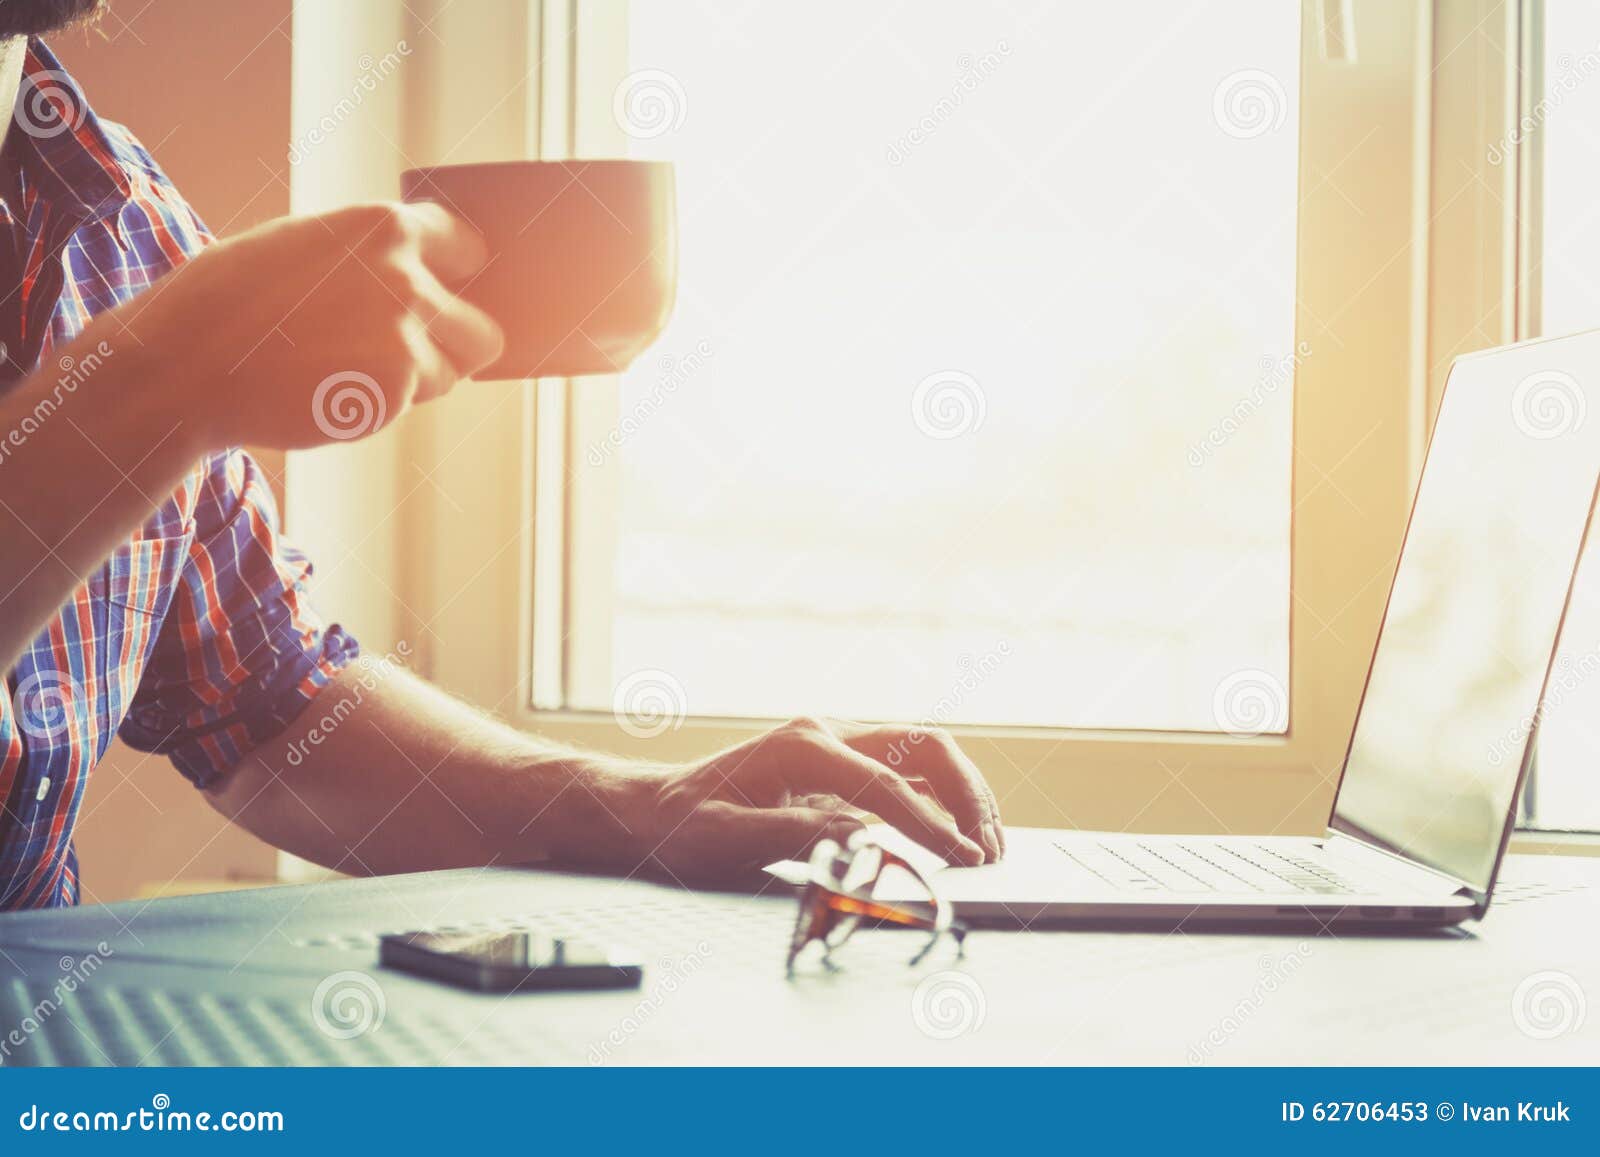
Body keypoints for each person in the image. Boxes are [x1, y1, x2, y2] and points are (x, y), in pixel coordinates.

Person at [0, 2, 1004, 911]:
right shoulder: (163, 313)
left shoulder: (119, 214)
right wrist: (166, 379)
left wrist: (629, 804)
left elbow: (262, 704)